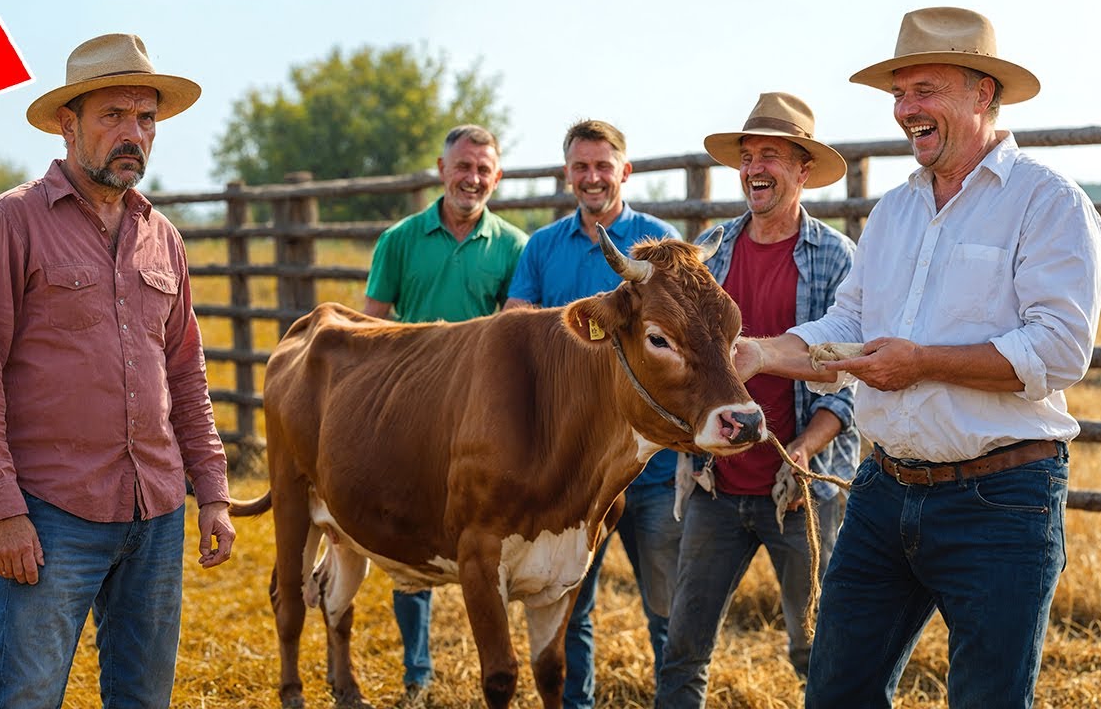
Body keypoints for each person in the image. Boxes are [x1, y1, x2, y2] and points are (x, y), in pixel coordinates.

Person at [732, 8, 1101, 708]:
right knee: (835, 692)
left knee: (987, 699)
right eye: (900, 94)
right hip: (884, 488)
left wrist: (923, 361)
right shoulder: (895, 212)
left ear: (983, 94)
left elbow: (1059, 349)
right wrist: (760, 352)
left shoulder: (1048, 202)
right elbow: (848, 326)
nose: (906, 109)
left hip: (1002, 496)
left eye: (924, 90)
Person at [0, 33, 236, 708]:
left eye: (146, 118)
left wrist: (214, 492)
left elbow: (185, 375)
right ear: (67, 123)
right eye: (112, 115)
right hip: (52, 514)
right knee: (26, 696)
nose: (133, 133)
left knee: (144, 699)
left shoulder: (163, 237)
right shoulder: (10, 222)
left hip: (156, 511)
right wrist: (1, 510)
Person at [655, 93, 859, 708]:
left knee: (815, 647)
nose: (754, 168)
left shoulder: (835, 258)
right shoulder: (709, 251)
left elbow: (848, 378)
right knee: (683, 649)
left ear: (803, 170)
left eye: (770, 155)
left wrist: (802, 451)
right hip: (715, 486)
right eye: (747, 157)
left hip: (799, 489)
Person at [504, 119, 682, 708]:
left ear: (624, 171)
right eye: (581, 167)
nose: (592, 177)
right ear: (567, 174)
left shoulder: (659, 244)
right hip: (573, 469)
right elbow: (516, 325)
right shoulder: (542, 246)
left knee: (666, 606)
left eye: (603, 165)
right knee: (569, 603)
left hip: (649, 466)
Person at [363, 124, 528, 706]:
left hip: (480, 418)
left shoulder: (513, 246)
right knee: (408, 531)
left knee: (482, 533)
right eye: (463, 166)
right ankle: (417, 668)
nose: (472, 179)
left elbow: (516, 334)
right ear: (442, 169)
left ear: (497, 177)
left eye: (484, 170)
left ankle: (486, 650)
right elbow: (371, 327)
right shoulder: (400, 240)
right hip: (412, 411)